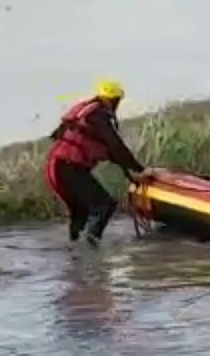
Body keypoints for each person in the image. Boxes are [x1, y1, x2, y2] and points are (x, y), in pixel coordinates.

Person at [44, 79, 155, 247]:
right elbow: (116, 146)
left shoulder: (85, 113)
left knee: (81, 211)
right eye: (117, 101)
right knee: (104, 204)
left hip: (55, 167)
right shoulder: (99, 115)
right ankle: (91, 250)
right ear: (112, 99)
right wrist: (140, 169)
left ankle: (76, 256)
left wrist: (132, 176)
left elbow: (110, 152)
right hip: (67, 168)